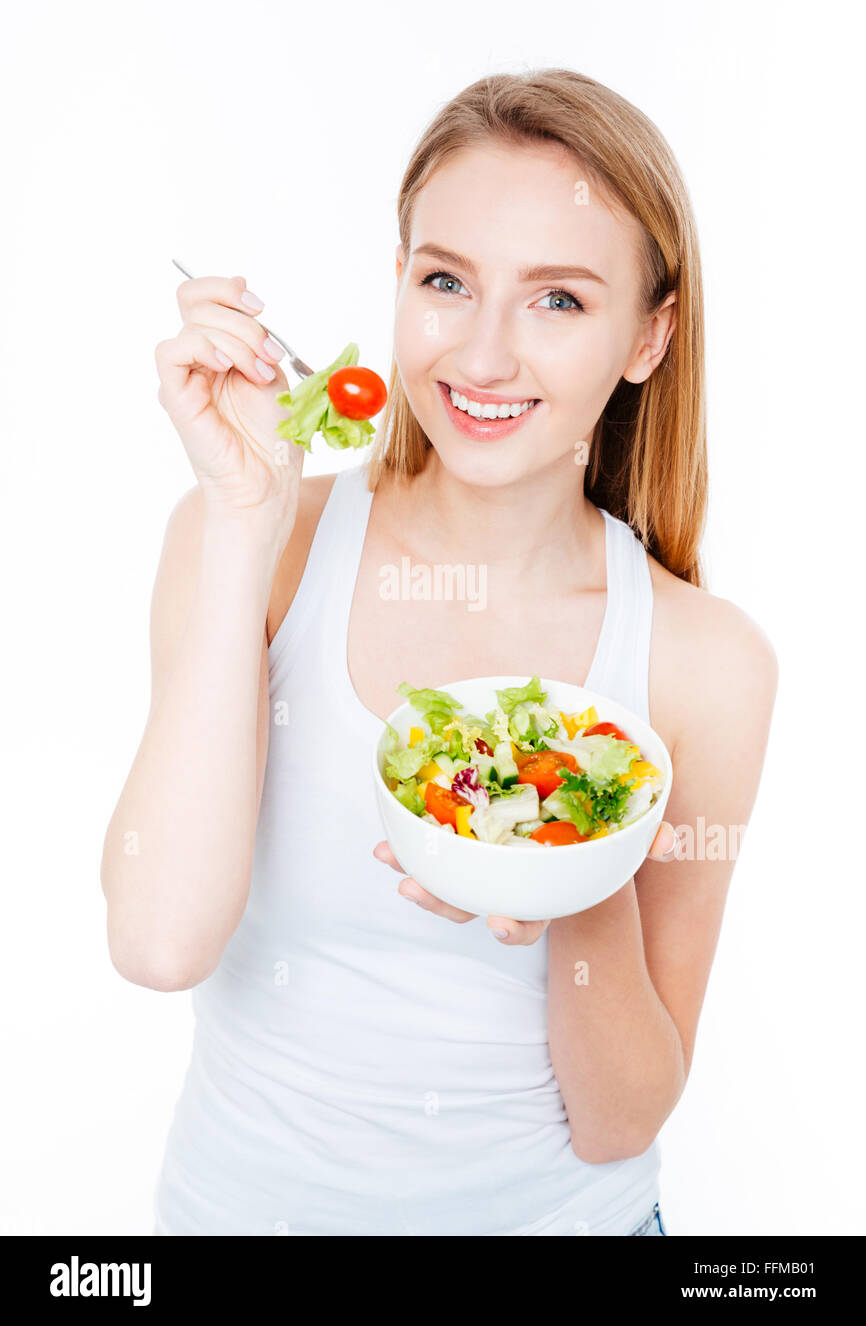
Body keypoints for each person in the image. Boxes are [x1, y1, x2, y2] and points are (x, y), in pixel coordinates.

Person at [101, 69, 777, 1236]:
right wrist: (243, 522)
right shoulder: (258, 543)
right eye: (446, 280)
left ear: (646, 338)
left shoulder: (703, 662)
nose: (481, 355)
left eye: (557, 301)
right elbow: (160, 943)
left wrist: (571, 857)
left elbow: (620, 1122)